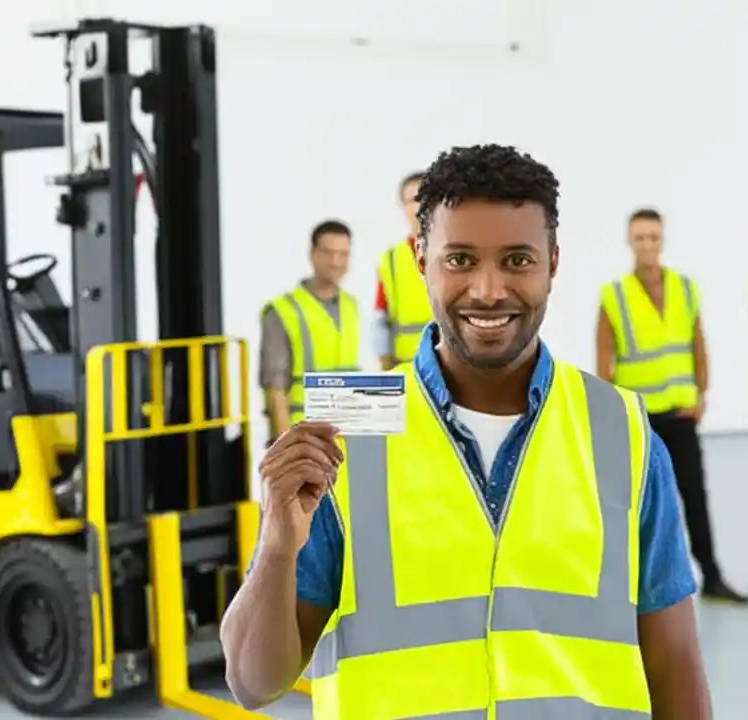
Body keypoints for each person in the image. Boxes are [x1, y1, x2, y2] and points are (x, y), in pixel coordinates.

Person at [221, 144, 713, 719]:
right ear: (420, 258)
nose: (486, 290)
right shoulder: (349, 425)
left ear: (553, 262)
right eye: (459, 260)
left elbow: (675, 663)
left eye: (517, 260)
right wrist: (279, 545)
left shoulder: (620, 429)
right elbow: (254, 684)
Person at [596, 208, 748, 606]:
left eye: (653, 237)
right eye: (640, 237)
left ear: (662, 241)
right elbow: (604, 363)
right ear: (629, 242)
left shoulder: (684, 288)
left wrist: (702, 393)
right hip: (639, 420)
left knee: (694, 496)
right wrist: (613, 417)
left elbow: (698, 342)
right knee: (635, 504)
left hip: (681, 413)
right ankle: (629, 584)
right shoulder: (614, 296)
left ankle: (712, 576)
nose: (647, 244)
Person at [258, 220, 361, 441]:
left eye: (343, 254)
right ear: (313, 254)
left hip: (348, 436)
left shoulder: (351, 306)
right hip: (304, 435)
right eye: (328, 253)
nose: (336, 262)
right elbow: (274, 386)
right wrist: (286, 444)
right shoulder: (283, 311)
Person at [374, 171, 434, 369]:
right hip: (406, 368)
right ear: (403, 206)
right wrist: (384, 365)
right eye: (413, 200)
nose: (420, 205)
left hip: (451, 367)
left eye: (426, 197)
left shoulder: (457, 251)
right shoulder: (391, 259)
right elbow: (380, 318)